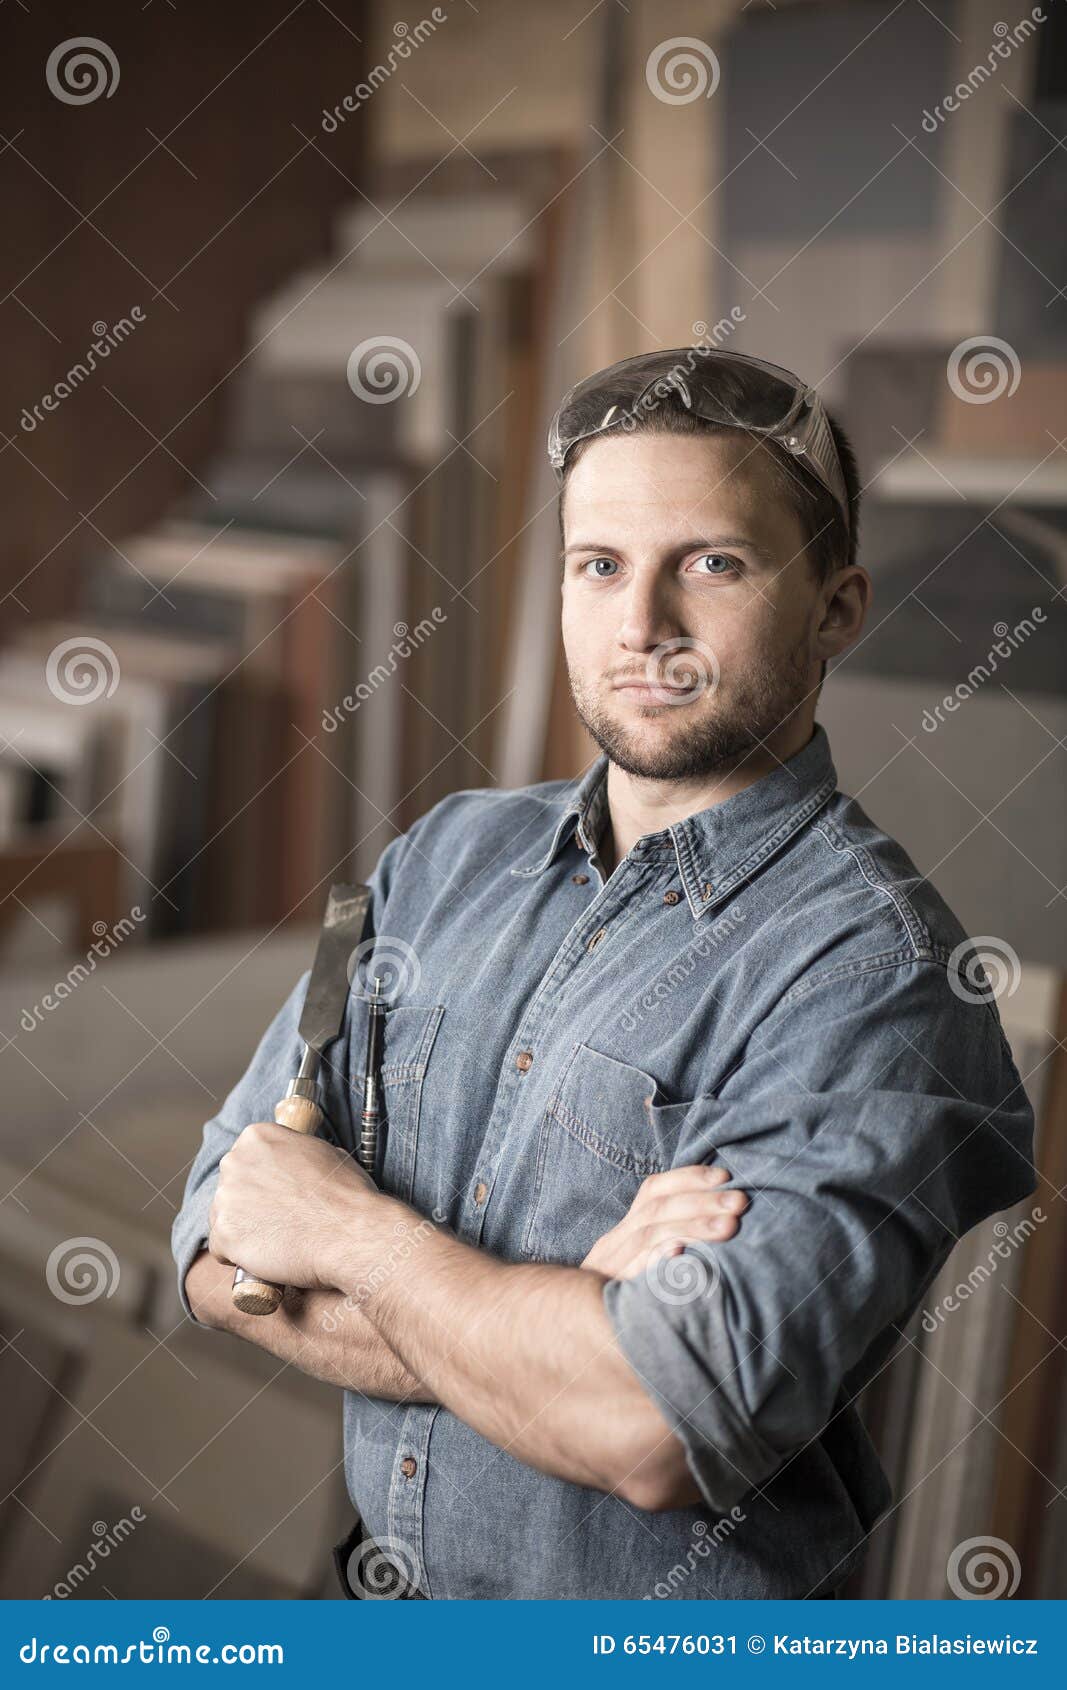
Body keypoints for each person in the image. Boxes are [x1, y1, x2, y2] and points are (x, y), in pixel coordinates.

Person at [173, 348, 1035, 1600]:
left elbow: (651, 1421)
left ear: (836, 607)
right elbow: (214, 1246)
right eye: (599, 566)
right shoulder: (438, 862)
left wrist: (347, 1233)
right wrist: (565, 1317)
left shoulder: (876, 974)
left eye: (712, 563)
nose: (642, 625)